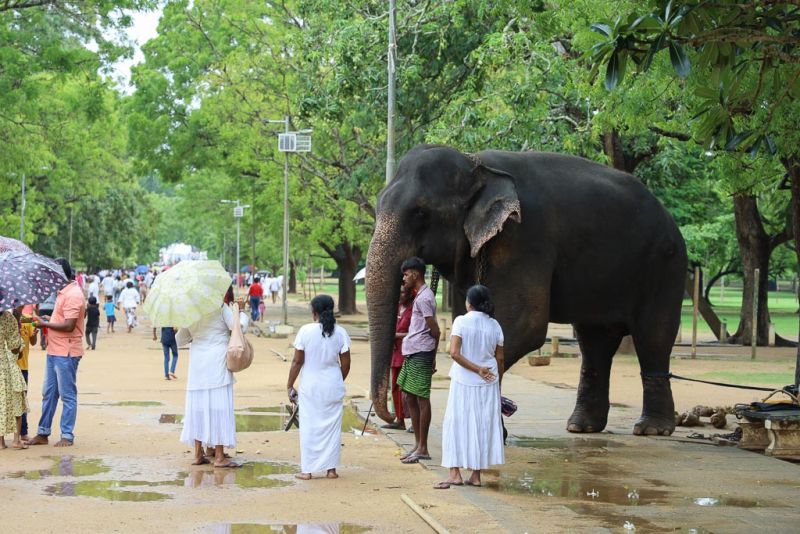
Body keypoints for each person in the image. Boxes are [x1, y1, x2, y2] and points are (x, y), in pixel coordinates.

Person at [435, 285, 505, 489]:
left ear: (469, 303)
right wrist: (496, 382)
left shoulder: (461, 321)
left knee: (457, 423)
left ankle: (454, 473)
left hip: (465, 380)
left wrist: (476, 369)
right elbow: (500, 358)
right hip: (489, 381)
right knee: (481, 425)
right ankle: (475, 475)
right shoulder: (495, 325)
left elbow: (455, 353)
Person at [176, 286, 248, 468]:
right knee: (219, 405)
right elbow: (238, 327)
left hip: (198, 362)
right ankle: (219, 456)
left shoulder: (191, 312)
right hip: (217, 360)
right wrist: (240, 310)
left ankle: (198, 453)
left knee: (198, 405)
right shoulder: (219, 307)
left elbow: (180, 339)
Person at [287, 295, 351, 480]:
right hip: (332, 384)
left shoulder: (305, 331)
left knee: (309, 427)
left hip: (311, 385)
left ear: (314, 312)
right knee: (332, 427)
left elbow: (297, 361)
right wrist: (337, 380)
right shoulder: (340, 333)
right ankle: (331, 470)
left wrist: (289, 384)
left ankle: (307, 470)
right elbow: (346, 364)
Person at [26, 258, 86, 447]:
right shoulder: (63, 292)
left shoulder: (73, 294)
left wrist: (46, 323)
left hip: (66, 351)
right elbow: (62, 319)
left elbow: (68, 326)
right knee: (49, 393)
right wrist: (45, 320)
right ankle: (43, 432)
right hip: (55, 350)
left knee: (67, 394)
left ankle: (67, 435)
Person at [396, 257, 439, 464]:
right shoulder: (419, 296)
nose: (404, 278)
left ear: (415, 274)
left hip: (422, 352)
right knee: (408, 396)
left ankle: (423, 447)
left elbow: (435, 330)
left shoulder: (424, 298)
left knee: (421, 397)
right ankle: (417, 444)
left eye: (406, 274)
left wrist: (432, 357)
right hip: (413, 351)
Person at [382, 285, 415, 430]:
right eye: (399, 292)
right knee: (395, 386)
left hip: (408, 352)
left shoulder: (415, 308)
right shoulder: (396, 307)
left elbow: (416, 332)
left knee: (409, 388)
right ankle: (400, 419)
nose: (401, 295)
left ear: (410, 293)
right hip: (395, 352)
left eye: (403, 292)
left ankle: (415, 421)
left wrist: (395, 336)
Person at [0, 309, 28, 449]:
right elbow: (16, 350)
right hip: (8, 369)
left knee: (1, 404)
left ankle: (1, 442)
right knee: (17, 405)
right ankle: (16, 440)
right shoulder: (8, 318)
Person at [13, 305, 36, 440]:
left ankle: (23, 432)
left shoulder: (28, 320)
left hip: (23, 367)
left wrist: (33, 336)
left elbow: (33, 342)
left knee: (22, 400)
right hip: (7, 366)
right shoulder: (6, 320)